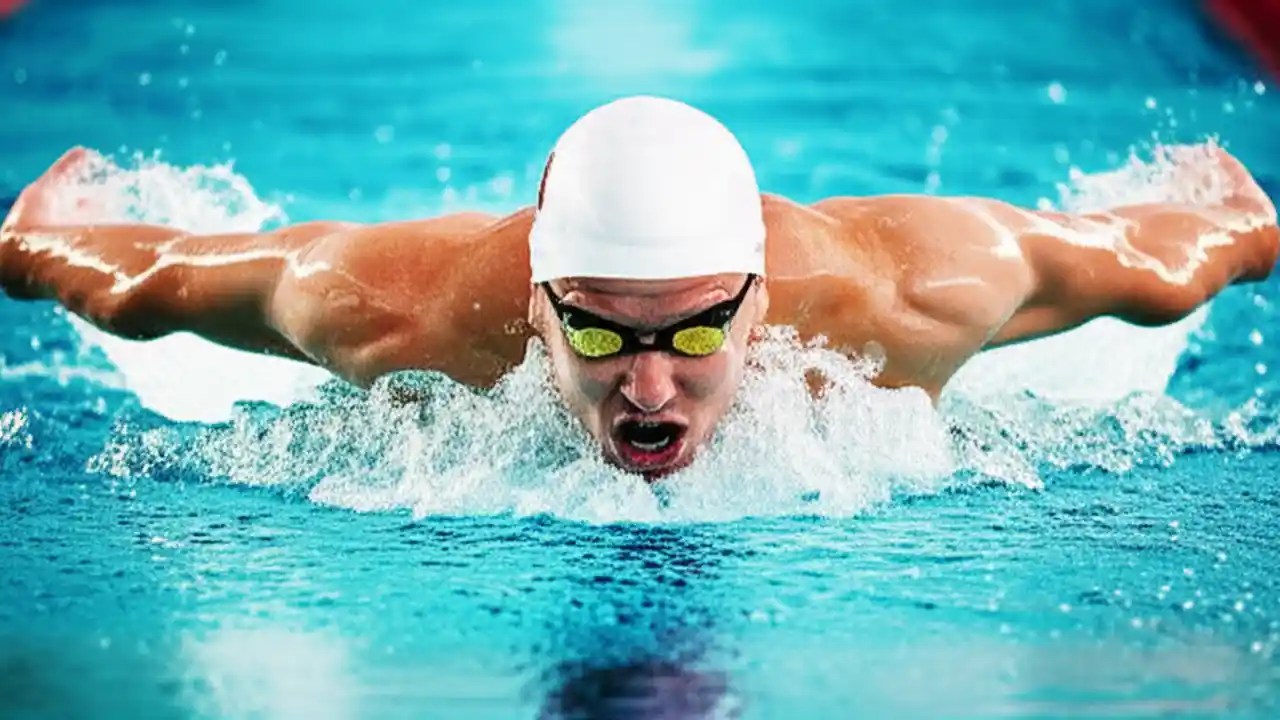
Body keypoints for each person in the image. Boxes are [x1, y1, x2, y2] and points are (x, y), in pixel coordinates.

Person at [2, 96, 1277, 477]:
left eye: (698, 331)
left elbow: (1148, 263)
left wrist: (1239, 230)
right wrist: (38, 246)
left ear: (763, 301)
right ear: (540, 305)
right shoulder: (403, 310)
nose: (649, 388)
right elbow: (147, 281)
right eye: (600, 332)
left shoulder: (911, 295)